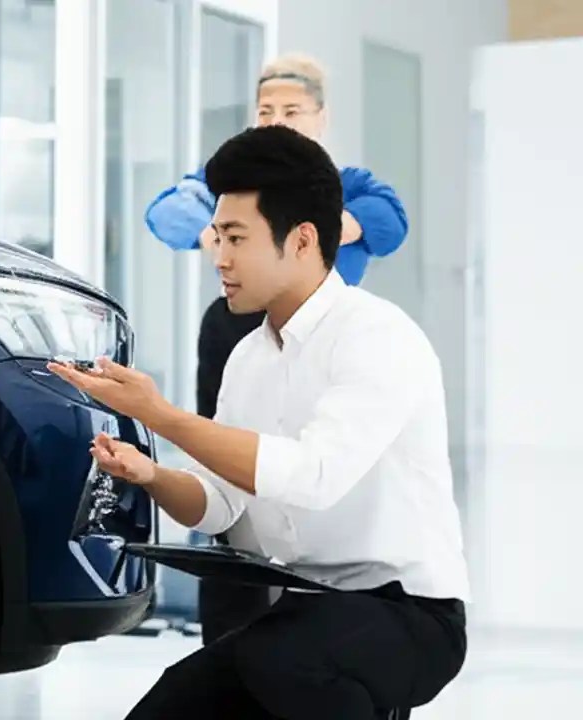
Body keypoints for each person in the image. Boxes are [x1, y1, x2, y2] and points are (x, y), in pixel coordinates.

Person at [49, 125, 468, 720]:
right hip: (307, 609)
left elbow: (314, 476)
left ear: (300, 241)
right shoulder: (248, 356)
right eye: (217, 236)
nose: (219, 257)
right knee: (171, 704)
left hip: (411, 614)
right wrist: (149, 475)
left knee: (288, 663)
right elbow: (220, 506)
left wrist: (162, 415)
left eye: (236, 238)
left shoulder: (376, 336)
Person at [145, 52, 411, 644]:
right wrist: (217, 228)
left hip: (320, 345)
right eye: (266, 111)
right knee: (224, 470)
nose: (278, 121)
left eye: (292, 111)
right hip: (240, 333)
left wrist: (324, 215)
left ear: (321, 116)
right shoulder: (230, 183)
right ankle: (228, 632)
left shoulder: (349, 187)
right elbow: (166, 210)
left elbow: (390, 221)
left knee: (315, 483)